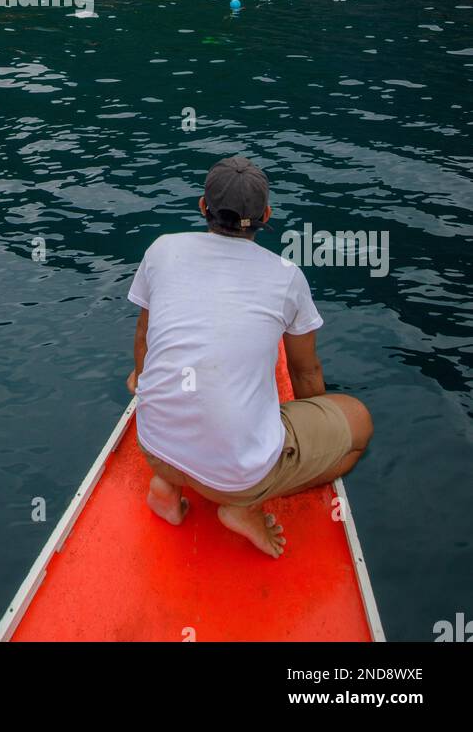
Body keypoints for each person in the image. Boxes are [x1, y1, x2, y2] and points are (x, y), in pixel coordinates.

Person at [126, 155, 373, 558]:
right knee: (358, 425)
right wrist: (313, 422)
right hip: (236, 479)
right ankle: (244, 505)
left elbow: (144, 337)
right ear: (266, 216)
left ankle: (168, 486)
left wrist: (142, 377)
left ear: (203, 207)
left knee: (154, 389)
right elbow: (304, 372)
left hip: (155, 449)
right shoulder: (286, 276)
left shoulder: (162, 249)